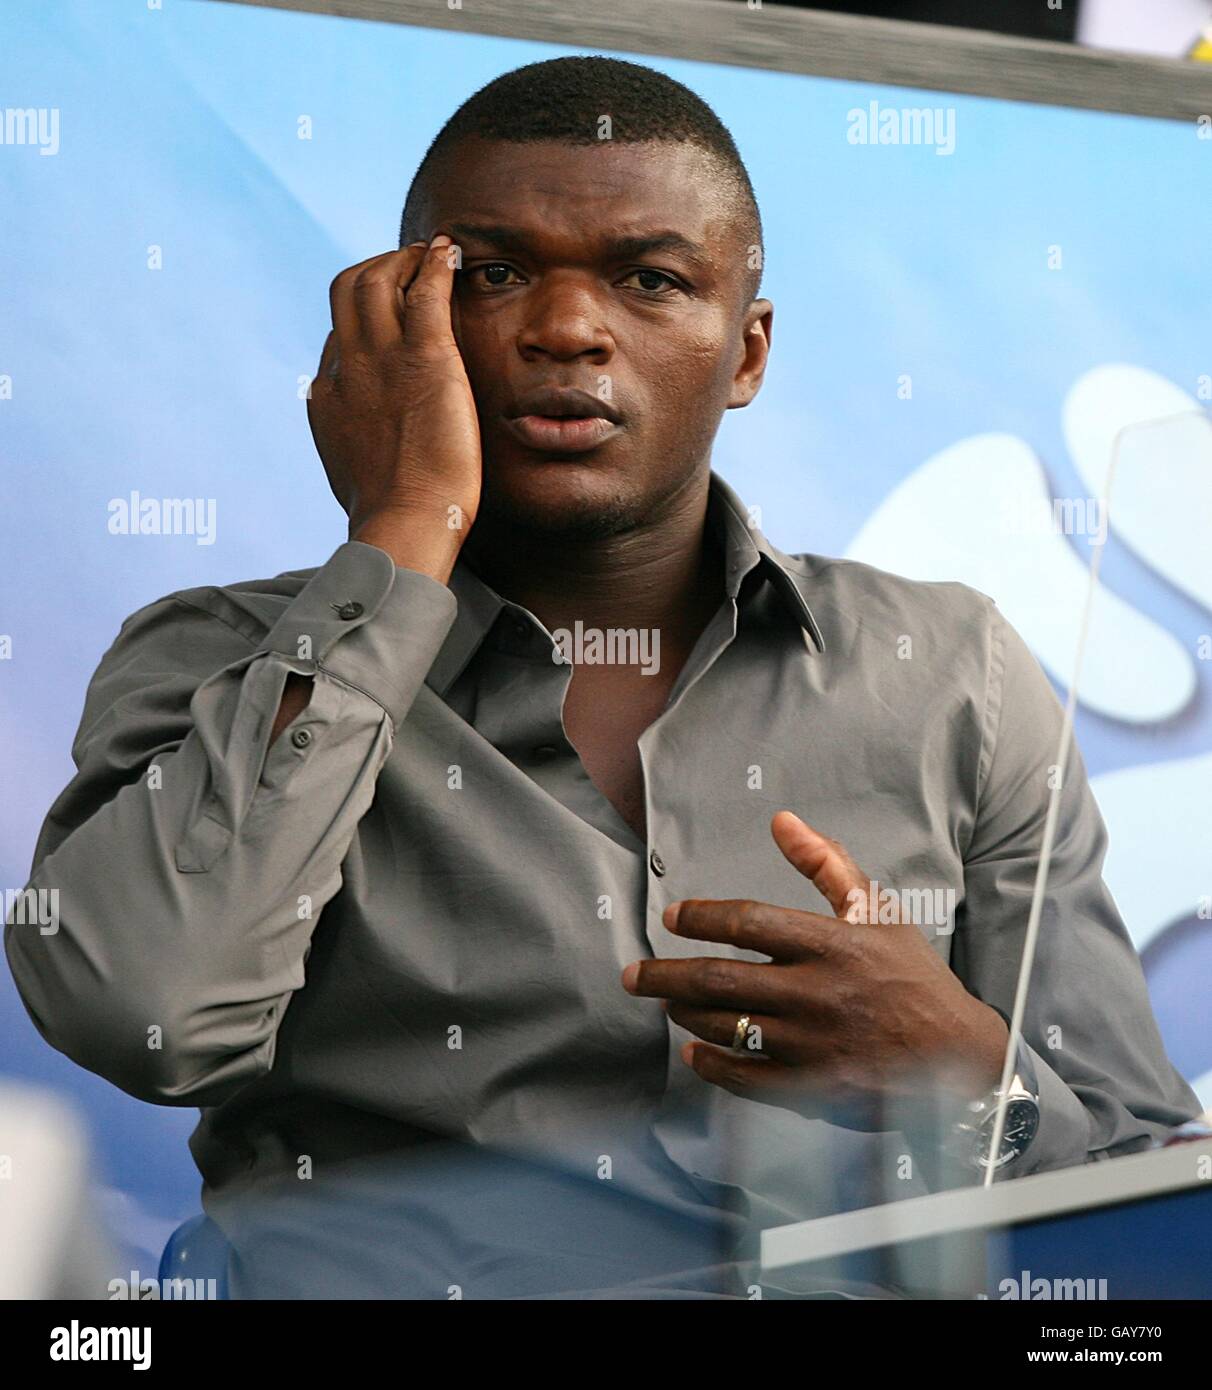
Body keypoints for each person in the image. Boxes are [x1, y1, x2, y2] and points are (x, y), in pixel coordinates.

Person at [5, 56, 1199, 1299]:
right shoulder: (219, 660)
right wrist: (405, 522)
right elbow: (138, 1016)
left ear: (747, 352)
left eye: (650, 278)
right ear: (394, 322)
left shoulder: (956, 672)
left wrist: (962, 1073)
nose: (567, 329)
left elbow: (1143, 1174)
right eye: (497, 273)